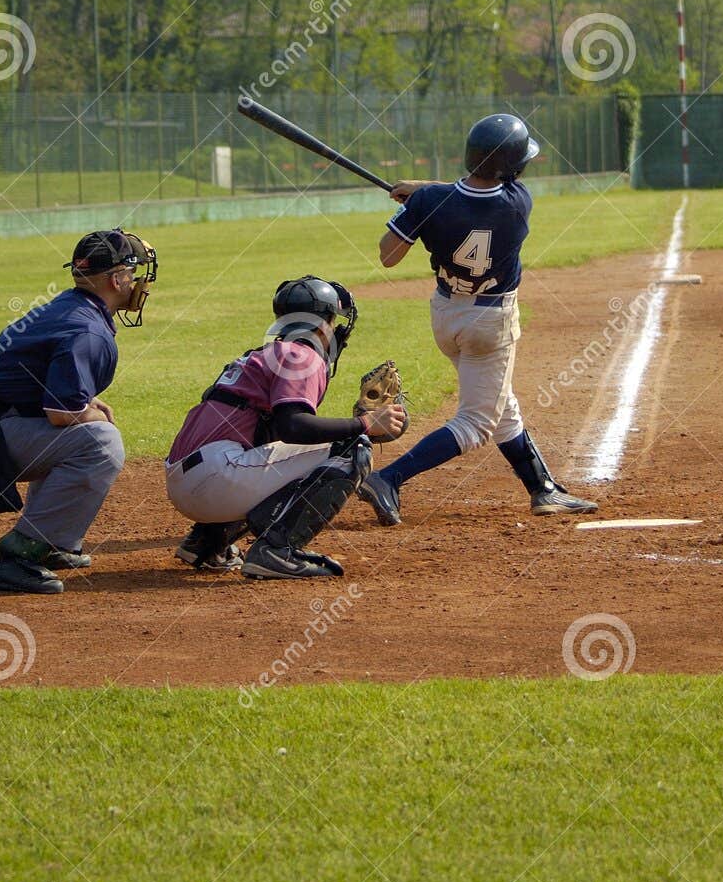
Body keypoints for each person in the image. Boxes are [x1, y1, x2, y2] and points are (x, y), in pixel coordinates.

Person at [361, 113, 597, 524]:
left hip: (447, 317)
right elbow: (470, 200)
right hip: (490, 324)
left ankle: (542, 490)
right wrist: (426, 195)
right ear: (512, 167)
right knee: (476, 422)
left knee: (501, 405)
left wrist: (418, 206)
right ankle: (389, 478)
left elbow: (388, 254)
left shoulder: (431, 204)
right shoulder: (517, 204)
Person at [0, 228, 157, 595]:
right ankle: (20, 555)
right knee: (100, 442)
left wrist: (82, 406)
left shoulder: (70, 307)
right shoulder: (88, 329)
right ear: (117, 279)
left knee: (81, 433)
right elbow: (60, 414)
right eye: (134, 275)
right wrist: (89, 413)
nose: (138, 284)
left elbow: (48, 394)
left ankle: (54, 541)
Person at [164, 275, 407, 580]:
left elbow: (277, 435)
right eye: (334, 322)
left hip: (185, 479)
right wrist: (364, 424)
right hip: (216, 479)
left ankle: (208, 542)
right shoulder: (302, 356)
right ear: (323, 324)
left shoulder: (261, 355)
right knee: (352, 447)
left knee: (287, 452)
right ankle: (276, 551)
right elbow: (294, 427)